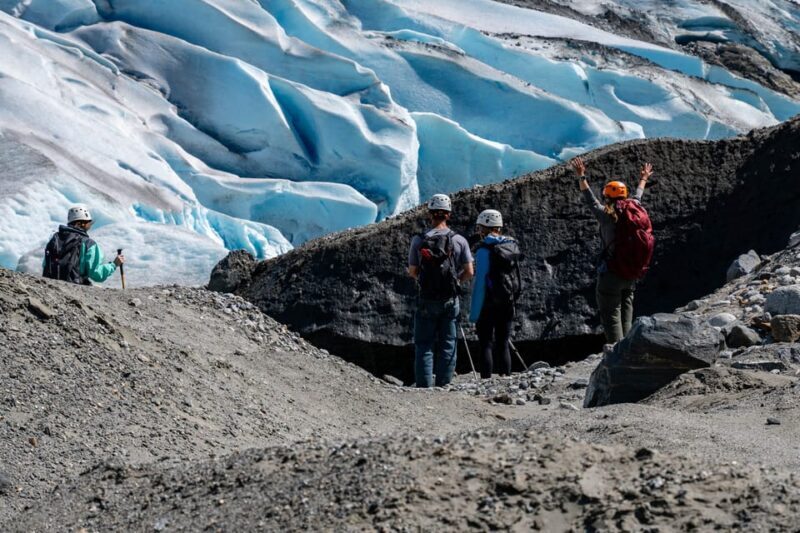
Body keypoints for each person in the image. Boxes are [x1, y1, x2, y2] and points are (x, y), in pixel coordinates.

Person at [572, 157, 654, 343]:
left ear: (607, 196)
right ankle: (628, 349)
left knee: (611, 317)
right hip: (632, 273)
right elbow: (638, 195)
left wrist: (581, 176)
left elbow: (590, 200)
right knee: (626, 312)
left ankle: (617, 353)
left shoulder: (606, 214)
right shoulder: (635, 208)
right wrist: (644, 178)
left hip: (612, 273)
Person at [408, 194, 474, 387]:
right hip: (450, 298)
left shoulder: (419, 240)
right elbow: (470, 271)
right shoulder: (459, 240)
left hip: (426, 298)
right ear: (449, 215)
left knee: (424, 343)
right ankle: (444, 383)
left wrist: (422, 278)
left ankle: (424, 385)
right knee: (448, 342)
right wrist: (457, 281)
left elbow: (412, 271)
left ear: (430, 215)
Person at [469, 209, 522, 379]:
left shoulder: (484, 251)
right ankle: (506, 378)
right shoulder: (511, 246)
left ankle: (486, 381)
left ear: (484, 228)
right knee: (503, 343)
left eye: (480, 228)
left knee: (486, 344)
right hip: (507, 301)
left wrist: (474, 314)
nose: (479, 232)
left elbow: (480, 285)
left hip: (488, 304)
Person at [43, 206, 125, 285]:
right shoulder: (88, 244)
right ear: (79, 224)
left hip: (51, 285)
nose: (90, 224)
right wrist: (114, 264)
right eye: (88, 222)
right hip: (74, 286)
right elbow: (96, 274)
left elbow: (45, 264)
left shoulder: (55, 238)